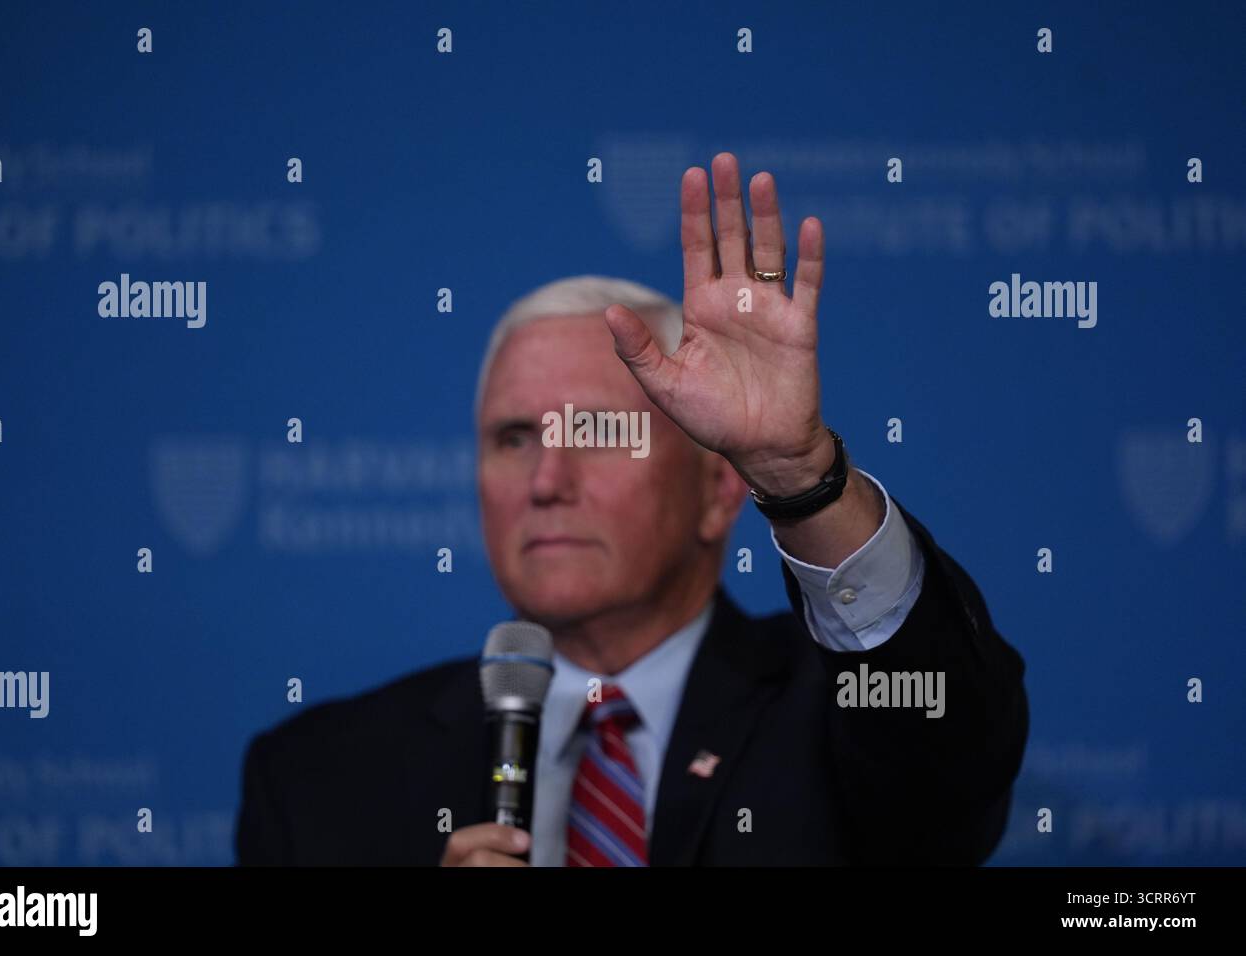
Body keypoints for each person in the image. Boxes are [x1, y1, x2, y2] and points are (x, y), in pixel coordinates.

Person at [235, 152, 1029, 866]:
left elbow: (948, 736)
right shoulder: (321, 780)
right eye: (514, 438)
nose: (547, 480)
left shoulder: (831, 716)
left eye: (596, 430)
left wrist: (795, 472)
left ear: (718, 489)